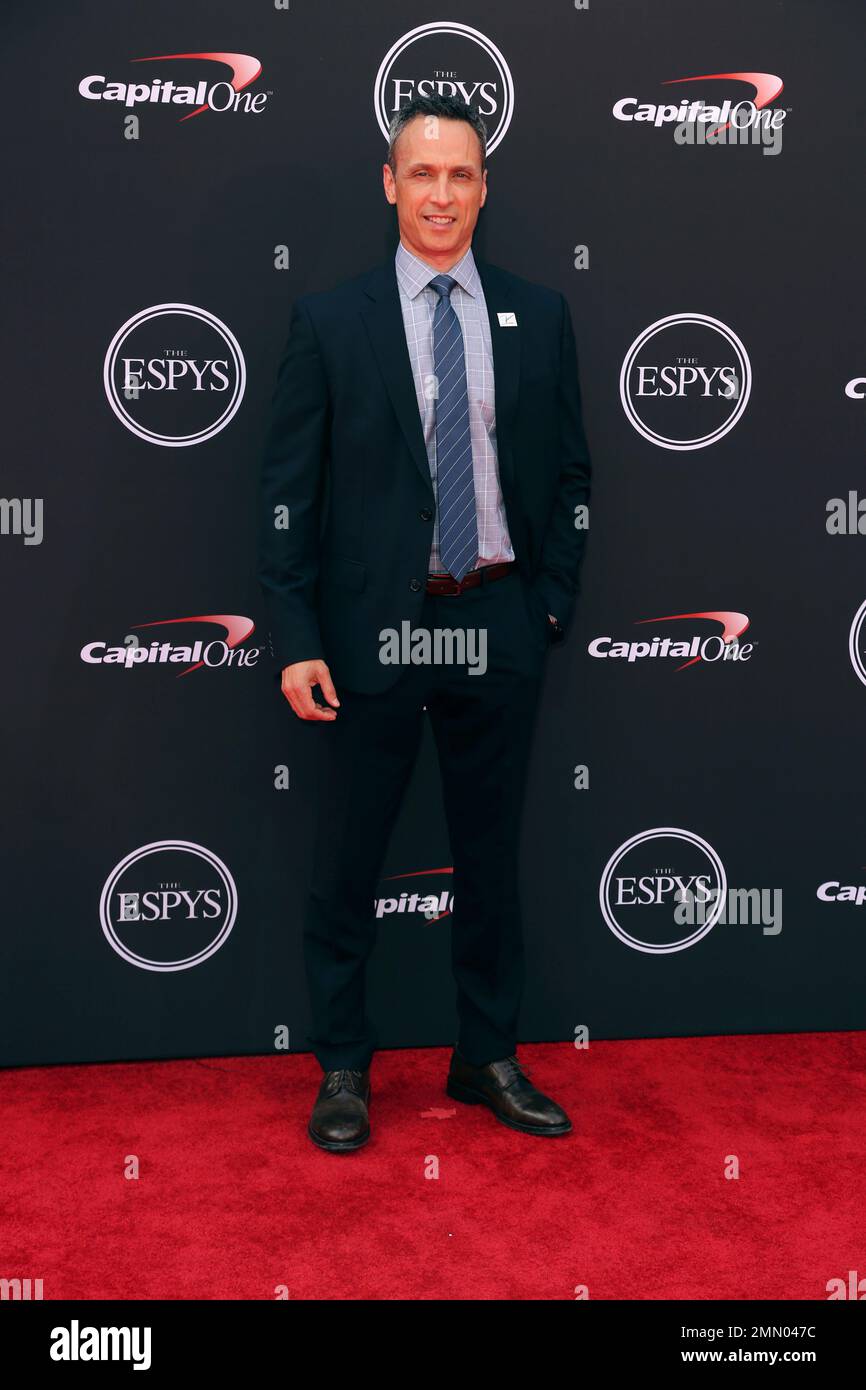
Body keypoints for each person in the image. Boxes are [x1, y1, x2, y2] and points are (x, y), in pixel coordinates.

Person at [258, 93, 592, 1151]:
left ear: (483, 187)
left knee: (490, 859)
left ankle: (483, 1055)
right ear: (389, 184)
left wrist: (545, 606)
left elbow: (572, 472)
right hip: (373, 637)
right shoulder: (328, 319)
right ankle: (344, 1068)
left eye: (460, 175)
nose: (440, 193)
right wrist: (300, 634)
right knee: (347, 858)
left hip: (495, 620)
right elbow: (286, 494)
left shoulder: (537, 315)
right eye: (422, 174)